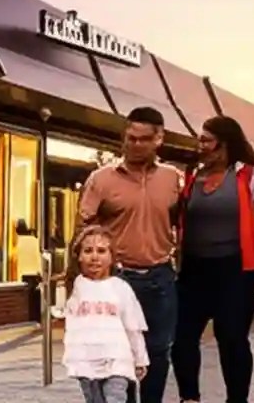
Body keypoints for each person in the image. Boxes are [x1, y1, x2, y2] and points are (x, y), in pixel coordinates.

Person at [172, 115, 254, 403]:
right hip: (194, 271)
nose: (200, 145)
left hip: (236, 271)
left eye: (206, 140)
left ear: (224, 144)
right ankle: (190, 399)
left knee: (232, 339)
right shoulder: (191, 176)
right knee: (182, 339)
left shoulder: (251, 175)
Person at [78, 106, 183, 403]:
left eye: (143, 139)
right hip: (117, 279)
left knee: (158, 352)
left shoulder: (173, 179)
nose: (135, 144)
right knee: (116, 355)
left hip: (160, 278)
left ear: (158, 139)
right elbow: (84, 229)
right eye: (130, 138)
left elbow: (182, 225)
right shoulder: (102, 179)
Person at [62, 225, 150, 403]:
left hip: (117, 359)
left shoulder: (121, 288)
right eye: (88, 251)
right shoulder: (75, 288)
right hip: (85, 360)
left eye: (101, 251)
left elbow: (133, 327)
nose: (94, 257)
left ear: (112, 257)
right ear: (78, 256)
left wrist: (140, 358)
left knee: (116, 398)